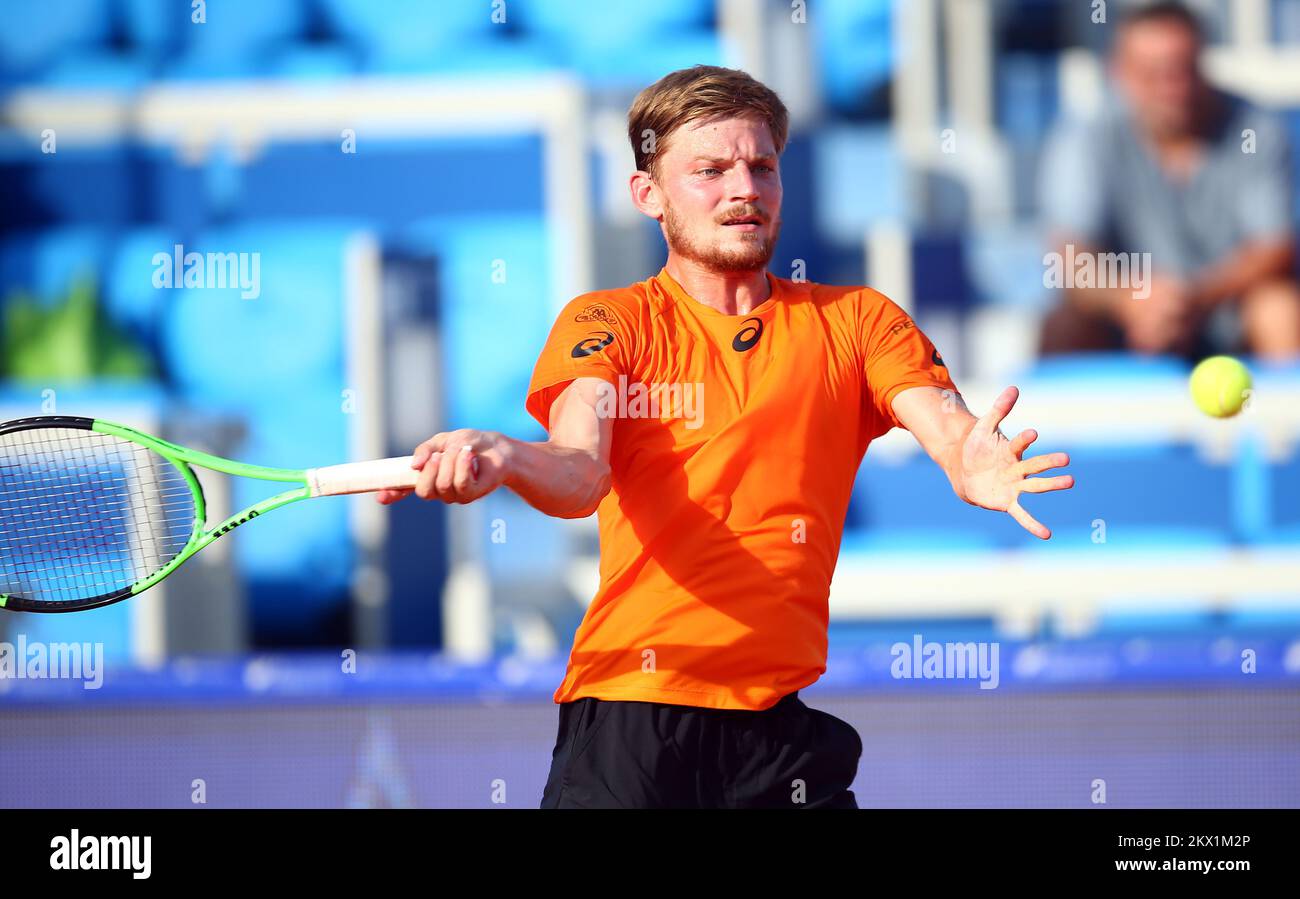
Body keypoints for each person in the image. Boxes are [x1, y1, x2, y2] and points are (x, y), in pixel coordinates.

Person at [377, 65, 1073, 808]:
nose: (744, 189)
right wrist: (507, 457)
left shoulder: (859, 320)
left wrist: (966, 456)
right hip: (633, 718)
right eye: (710, 171)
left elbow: (947, 426)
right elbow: (579, 471)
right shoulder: (608, 320)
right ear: (649, 194)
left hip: (778, 735)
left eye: (762, 167)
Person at [1039, 1, 1299, 360]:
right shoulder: (1085, 137)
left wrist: (1194, 298)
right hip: (1123, 326)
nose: (1172, 87)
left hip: (1229, 317)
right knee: (1064, 325)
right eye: (1153, 73)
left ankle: (1287, 399)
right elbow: (1070, 257)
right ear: (1118, 72)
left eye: (1183, 69)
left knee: (1278, 309)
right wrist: (1129, 300)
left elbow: (1274, 249)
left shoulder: (1255, 130)